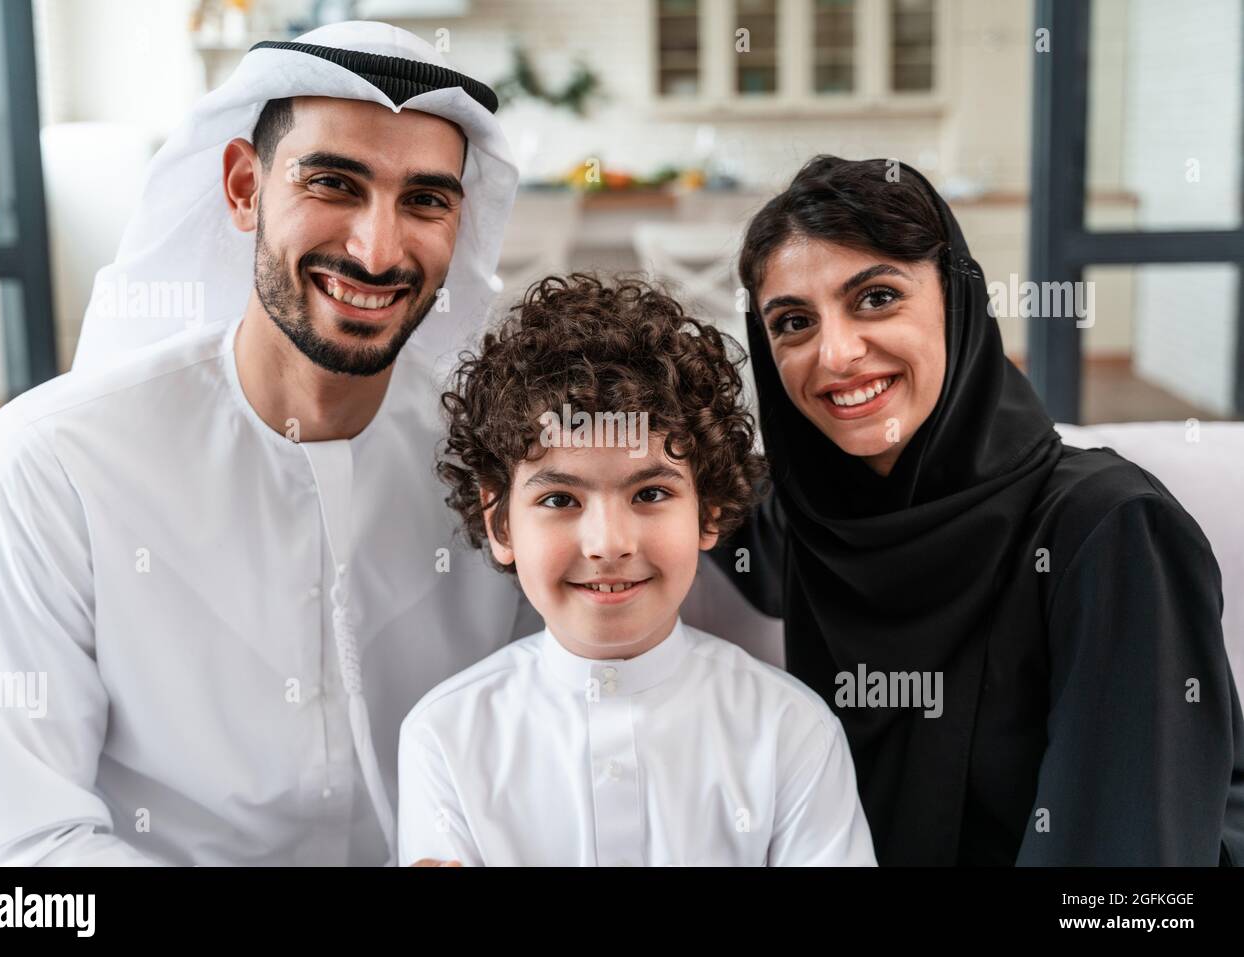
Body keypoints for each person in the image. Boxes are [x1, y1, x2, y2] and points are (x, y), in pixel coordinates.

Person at [0, 22, 534, 866]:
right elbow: (19, 855)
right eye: (333, 182)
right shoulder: (55, 460)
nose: (378, 249)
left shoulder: (507, 464)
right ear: (242, 187)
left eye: (425, 200)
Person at [711, 154, 1244, 865]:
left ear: (955, 300)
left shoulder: (1108, 529)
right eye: (794, 322)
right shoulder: (818, 526)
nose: (836, 353)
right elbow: (692, 493)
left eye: (875, 297)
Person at [396, 274, 876, 866]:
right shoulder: (444, 736)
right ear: (500, 523)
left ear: (711, 511)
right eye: (560, 500)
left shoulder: (791, 731)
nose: (608, 543)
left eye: (649, 494)